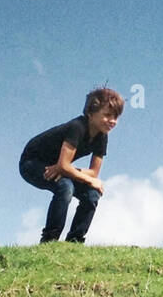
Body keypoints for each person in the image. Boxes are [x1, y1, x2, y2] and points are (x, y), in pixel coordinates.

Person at [19, 87, 124, 243]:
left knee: (92, 194)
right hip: (31, 163)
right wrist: (65, 168)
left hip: (58, 164)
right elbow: (67, 167)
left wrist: (67, 168)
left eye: (116, 116)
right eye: (107, 115)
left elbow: (94, 172)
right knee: (65, 187)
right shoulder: (77, 127)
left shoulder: (102, 136)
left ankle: (75, 240)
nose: (112, 121)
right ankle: (50, 239)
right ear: (90, 113)